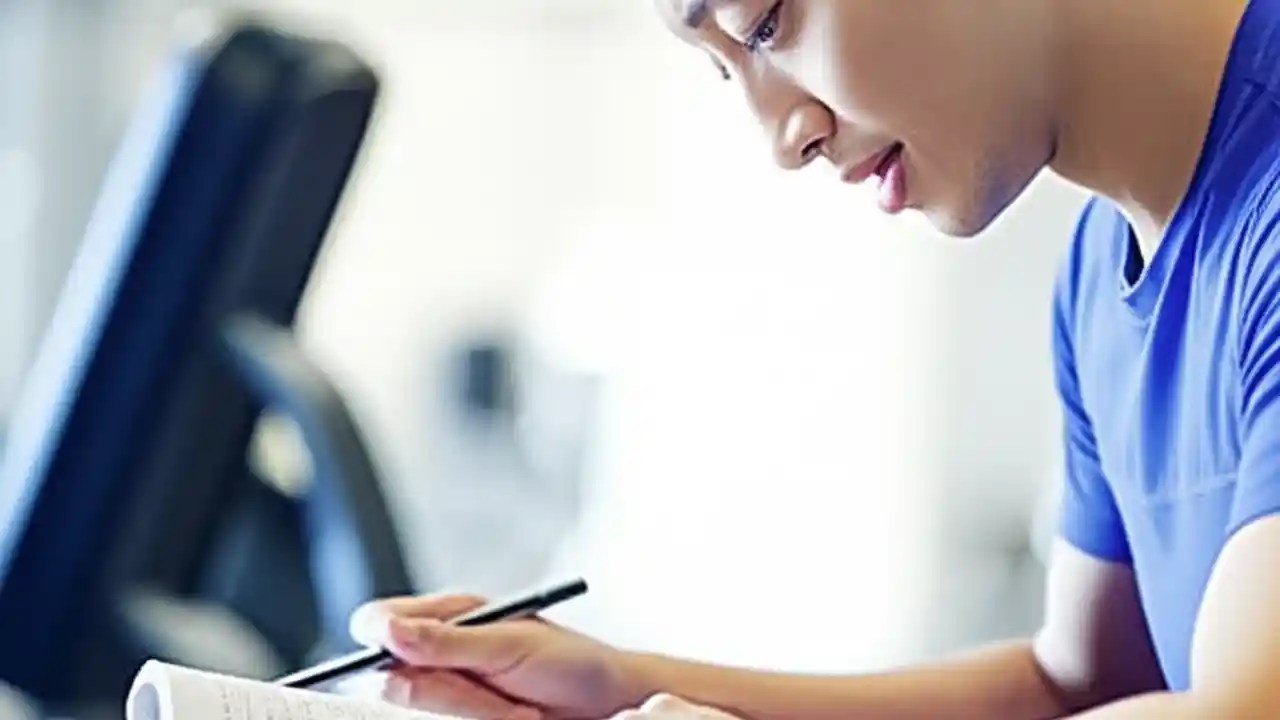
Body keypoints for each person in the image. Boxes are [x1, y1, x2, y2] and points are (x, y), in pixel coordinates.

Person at [350, 0, 1280, 717]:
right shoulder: (1095, 280)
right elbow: (1070, 687)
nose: (784, 138)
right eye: (728, 70)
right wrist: (620, 685)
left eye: (766, 23)